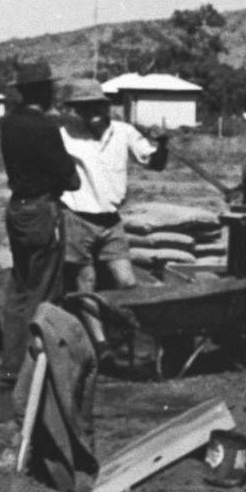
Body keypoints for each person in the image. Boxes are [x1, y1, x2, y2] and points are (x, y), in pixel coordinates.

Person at [57, 78, 169, 360]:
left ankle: (132, 335)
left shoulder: (123, 132)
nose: (91, 112)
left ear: (105, 106)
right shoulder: (64, 136)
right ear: (74, 110)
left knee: (126, 282)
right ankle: (101, 343)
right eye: (83, 107)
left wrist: (162, 143)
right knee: (85, 282)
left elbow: (154, 162)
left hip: (110, 220)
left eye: (96, 105)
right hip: (76, 216)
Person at [0, 63, 80, 408]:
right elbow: (69, 178)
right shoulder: (45, 128)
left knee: (19, 287)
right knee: (45, 290)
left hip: (17, 208)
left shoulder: (9, 123)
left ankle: (10, 367)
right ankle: (35, 372)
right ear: (43, 91)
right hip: (42, 211)